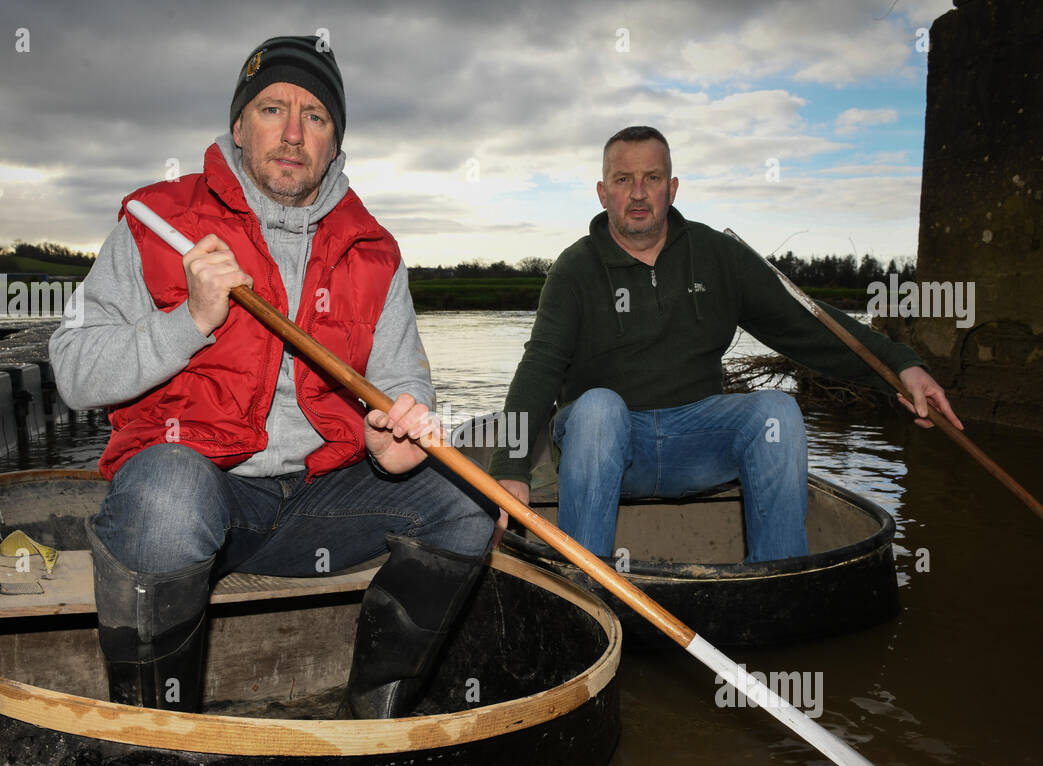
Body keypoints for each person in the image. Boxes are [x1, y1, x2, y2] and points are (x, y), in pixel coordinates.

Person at [50, 35, 494, 717]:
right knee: (169, 499)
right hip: (200, 503)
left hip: (322, 505)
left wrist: (398, 438)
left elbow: (406, 381)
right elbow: (74, 371)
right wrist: (188, 321)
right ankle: (156, 736)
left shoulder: (374, 250)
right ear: (237, 126)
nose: (292, 134)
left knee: (466, 498)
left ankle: (373, 723)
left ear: (335, 145)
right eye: (272, 109)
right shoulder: (156, 220)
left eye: (315, 116)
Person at [488, 126, 960, 562]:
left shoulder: (718, 256)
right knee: (597, 410)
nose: (637, 192)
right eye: (623, 178)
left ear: (672, 189)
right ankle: (586, 588)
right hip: (607, 444)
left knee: (776, 411)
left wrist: (901, 365)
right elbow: (541, 365)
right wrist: (510, 466)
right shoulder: (575, 268)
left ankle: (779, 583)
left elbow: (807, 322)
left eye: (652, 177)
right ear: (603, 192)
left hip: (696, 443)